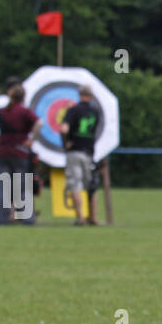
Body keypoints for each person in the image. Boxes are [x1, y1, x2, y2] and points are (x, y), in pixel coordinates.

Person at [0, 81, 42, 225]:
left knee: (3, 187)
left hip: (3, 153)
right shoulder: (24, 111)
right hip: (20, 153)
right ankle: (27, 218)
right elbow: (39, 123)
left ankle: (3, 218)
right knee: (22, 186)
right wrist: (32, 139)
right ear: (23, 97)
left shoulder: (2, 111)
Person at [59, 85, 101, 226]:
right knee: (91, 185)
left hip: (74, 151)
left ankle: (80, 218)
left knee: (75, 184)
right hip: (89, 151)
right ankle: (93, 217)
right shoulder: (96, 111)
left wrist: (66, 142)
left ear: (80, 94)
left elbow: (64, 128)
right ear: (91, 95)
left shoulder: (73, 110)